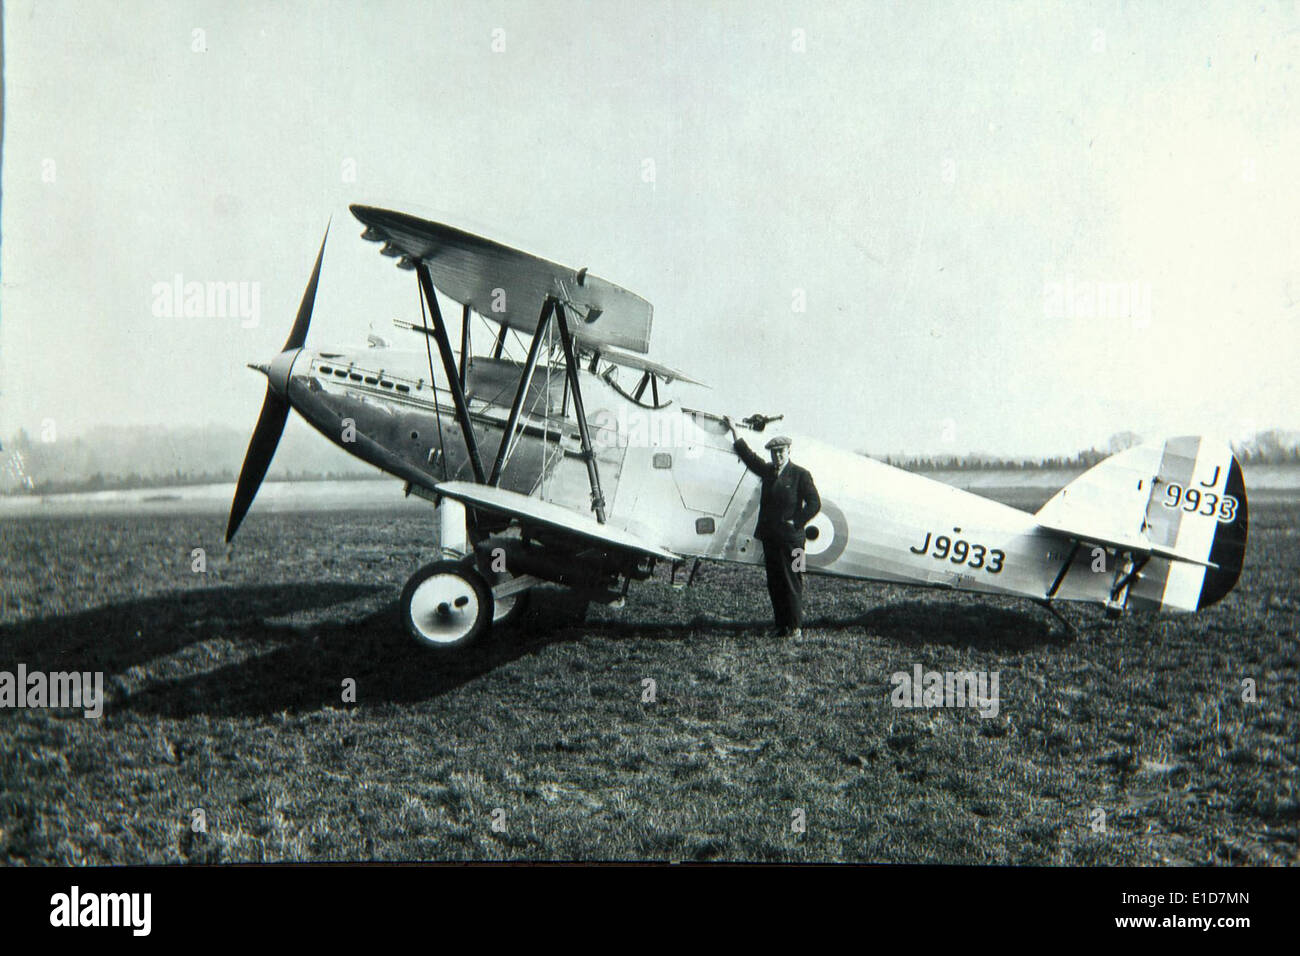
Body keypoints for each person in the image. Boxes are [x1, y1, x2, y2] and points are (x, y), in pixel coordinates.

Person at [725, 419, 821, 637]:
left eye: (781, 451)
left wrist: (796, 521)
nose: (777, 456)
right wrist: (734, 431)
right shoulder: (768, 471)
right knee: (775, 582)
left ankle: (795, 628)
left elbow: (815, 503)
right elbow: (748, 457)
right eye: (774, 452)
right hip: (771, 538)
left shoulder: (800, 474)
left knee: (793, 581)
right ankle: (781, 625)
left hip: (794, 540)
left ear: (789, 451)